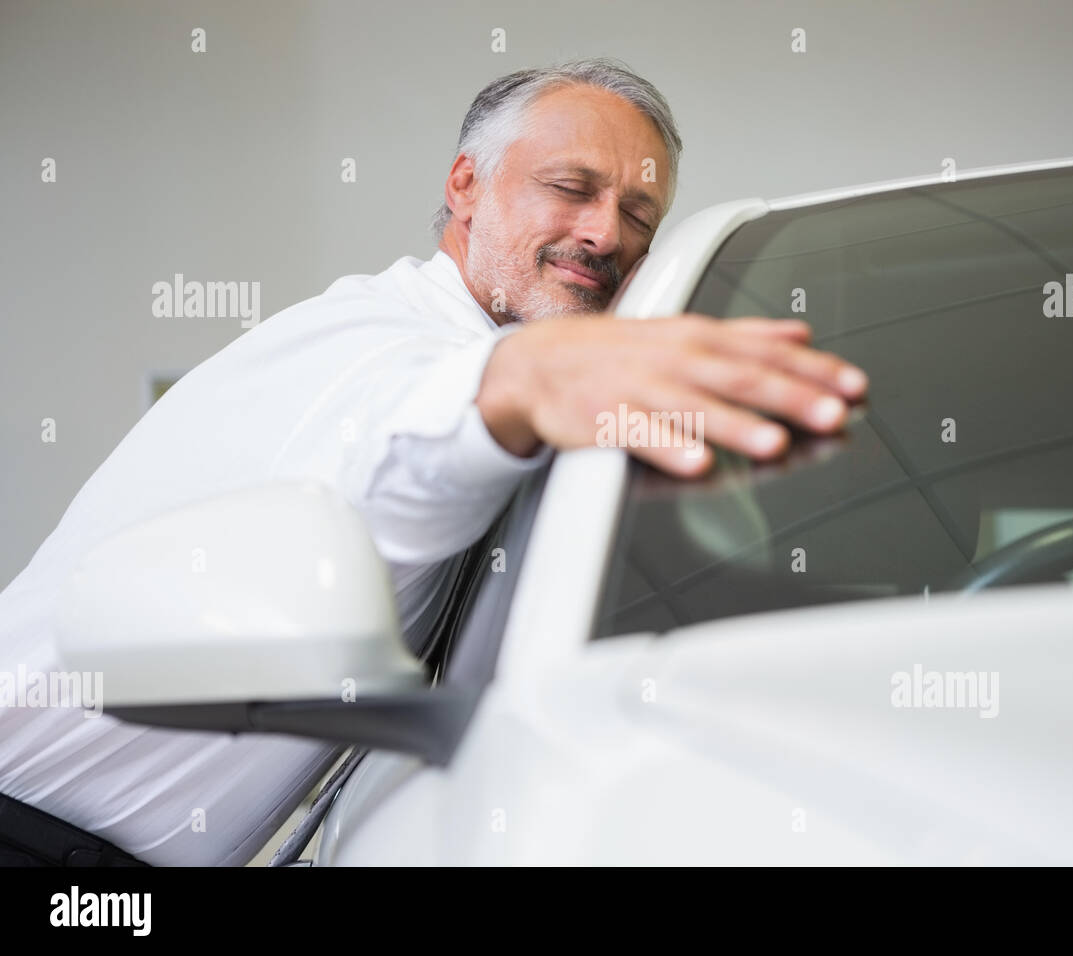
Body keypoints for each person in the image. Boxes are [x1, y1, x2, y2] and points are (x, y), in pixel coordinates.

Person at [0, 58, 867, 866]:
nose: (605, 233)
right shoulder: (366, 342)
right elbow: (402, 446)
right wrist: (518, 379)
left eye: (639, 216)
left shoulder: (510, 393)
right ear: (466, 186)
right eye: (571, 189)